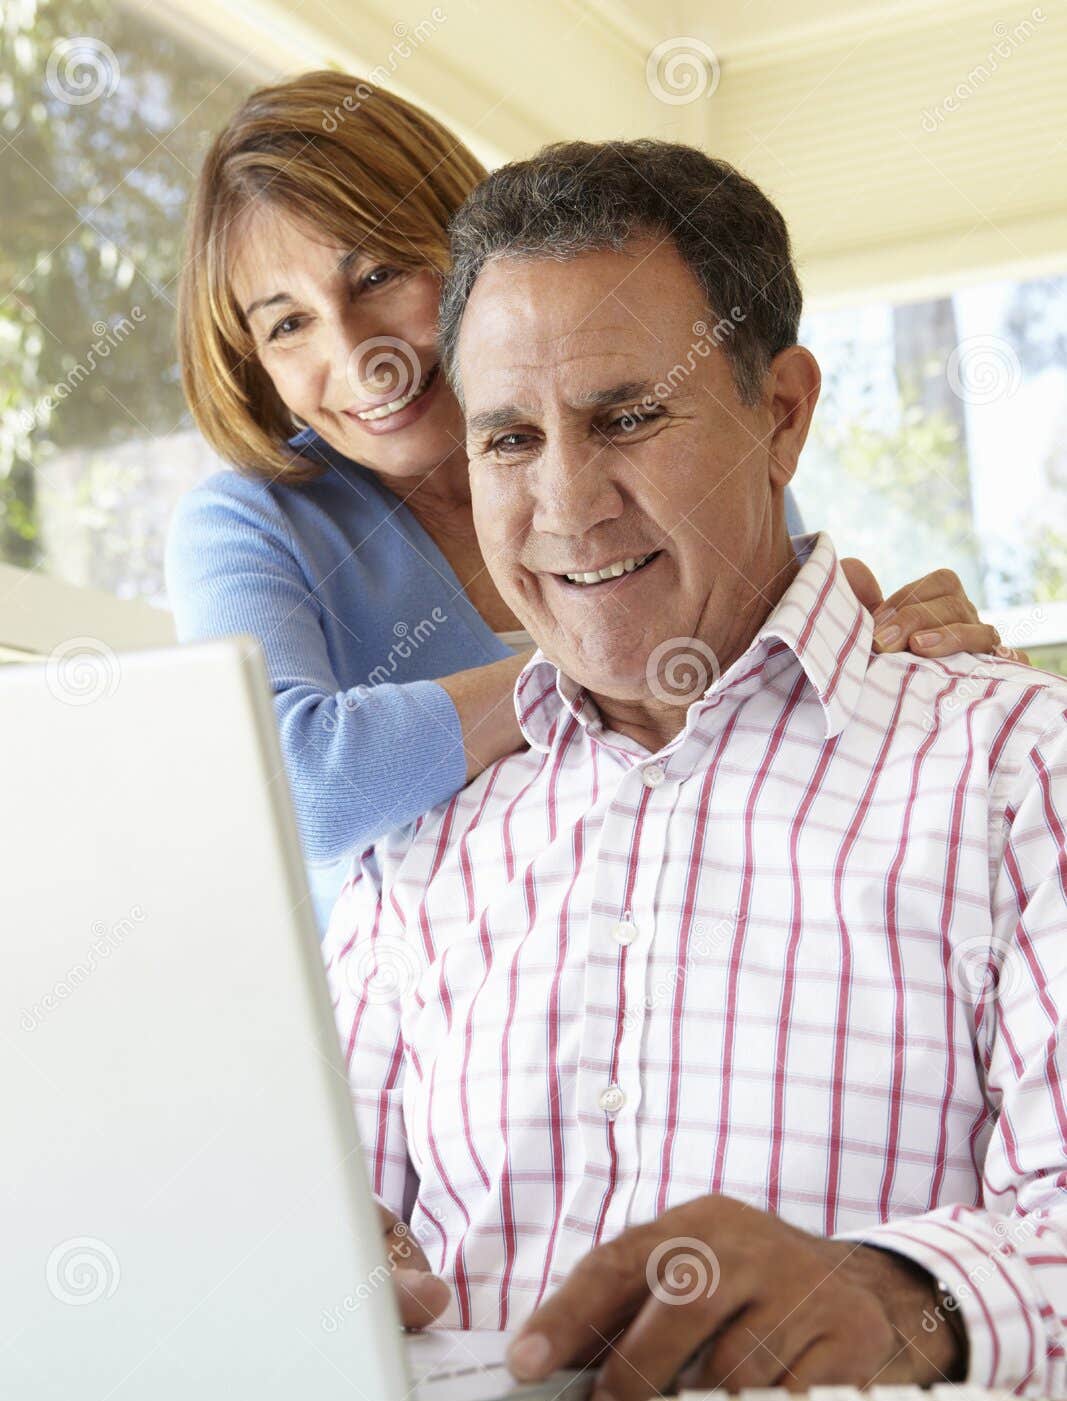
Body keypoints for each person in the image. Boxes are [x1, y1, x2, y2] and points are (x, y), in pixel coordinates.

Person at [325, 139, 1067, 1401]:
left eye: (626, 418)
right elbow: (321, 1202)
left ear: (779, 413)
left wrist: (900, 1298)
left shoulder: (1016, 770)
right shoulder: (421, 843)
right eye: (509, 438)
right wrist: (327, 1251)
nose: (566, 503)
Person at [165, 73, 1006, 926]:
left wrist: (906, 649)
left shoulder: (681, 445)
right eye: (286, 324)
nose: (359, 357)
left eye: (377, 275)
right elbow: (291, 791)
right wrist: (605, 665)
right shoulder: (252, 524)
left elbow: (787, 680)